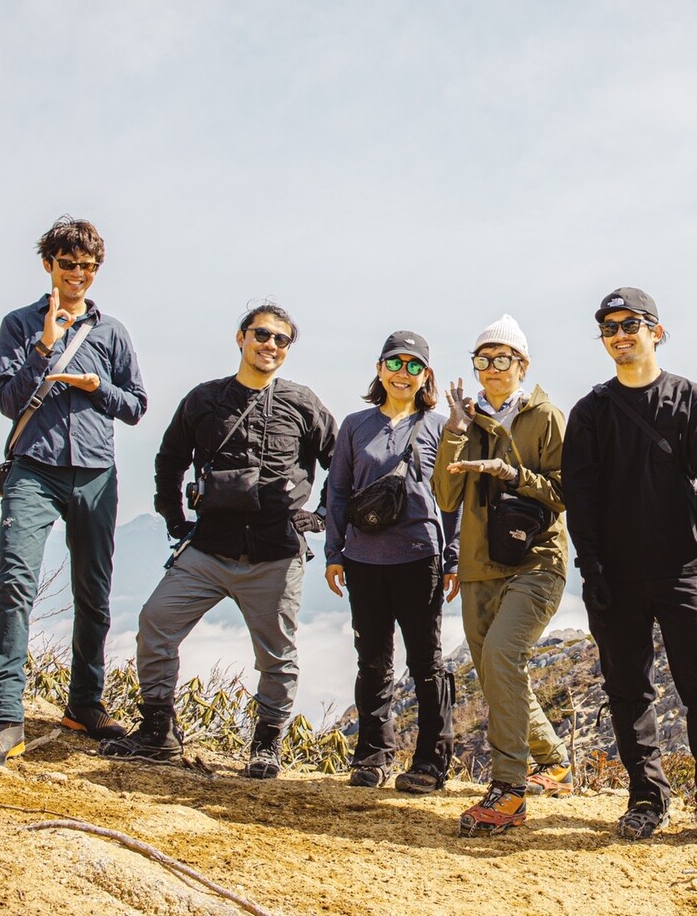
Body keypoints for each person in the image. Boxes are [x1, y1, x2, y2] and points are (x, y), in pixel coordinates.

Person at [100, 304, 335, 778]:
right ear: (241, 338)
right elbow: (169, 460)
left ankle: (266, 745)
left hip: (276, 552)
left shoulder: (302, 402)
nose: (270, 345)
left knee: (277, 656)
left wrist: (322, 515)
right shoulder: (204, 399)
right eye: (262, 335)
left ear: (288, 349)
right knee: (156, 623)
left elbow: (343, 462)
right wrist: (174, 519)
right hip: (208, 548)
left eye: (281, 340)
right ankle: (158, 733)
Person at [561, 287, 697, 849]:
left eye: (631, 324)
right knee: (627, 691)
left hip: (684, 569)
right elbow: (581, 493)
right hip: (616, 574)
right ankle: (647, 799)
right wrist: (590, 563)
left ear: (656, 331)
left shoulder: (692, 400)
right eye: (610, 327)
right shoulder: (591, 413)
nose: (621, 334)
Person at [0, 217, 147, 765]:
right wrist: (45, 347)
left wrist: (100, 389)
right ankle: (5, 719)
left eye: (87, 267)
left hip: (96, 472)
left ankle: (84, 705)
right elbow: (7, 400)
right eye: (68, 264)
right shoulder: (19, 324)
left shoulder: (112, 332)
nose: (77, 274)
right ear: (48, 264)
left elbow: (137, 406)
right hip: (34, 469)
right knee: (14, 585)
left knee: (94, 595)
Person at [433, 315, 571, 836]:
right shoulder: (465, 422)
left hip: (538, 560)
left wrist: (513, 475)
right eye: (483, 360)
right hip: (478, 563)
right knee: (494, 670)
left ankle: (509, 789)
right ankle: (554, 761)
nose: (493, 369)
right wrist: (453, 431)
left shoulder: (546, 418)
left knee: (502, 654)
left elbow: (566, 491)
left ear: (523, 364)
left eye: (503, 359)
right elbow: (446, 496)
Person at [325, 331, 458, 794]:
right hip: (362, 557)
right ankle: (372, 755)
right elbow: (337, 491)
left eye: (414, 365)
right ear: (380, 369)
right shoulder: (354, 425)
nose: (404, 373)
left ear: (426, 375)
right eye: (395, 363)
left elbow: (452, 500)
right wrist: (333, 552)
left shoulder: (440, 427)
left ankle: (430, 761)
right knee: (373, 662)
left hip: (419, 556)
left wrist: (452, 558)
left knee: (427, 663)